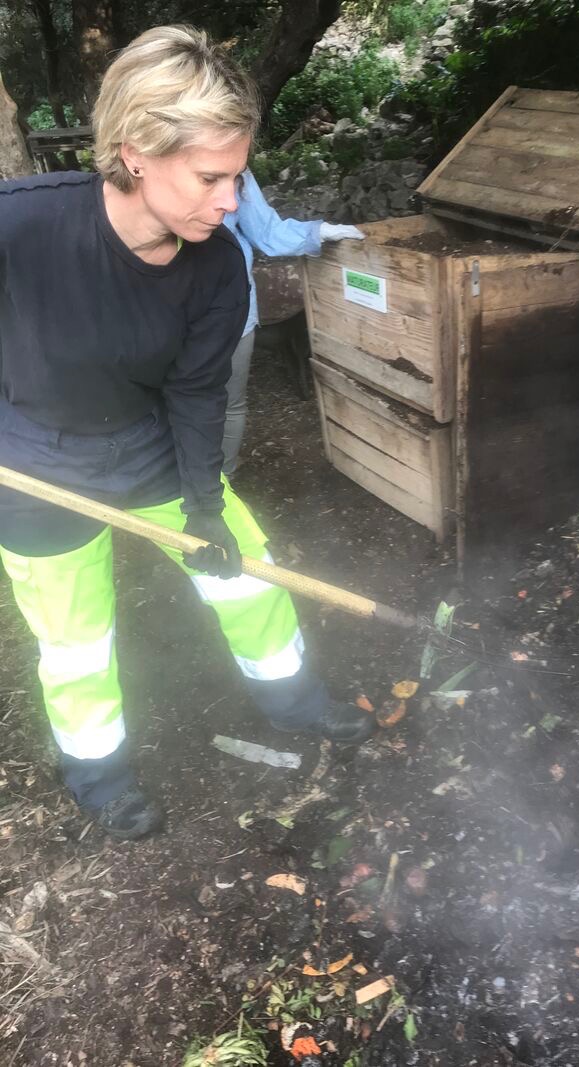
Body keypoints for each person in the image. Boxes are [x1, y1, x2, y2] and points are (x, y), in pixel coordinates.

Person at [0, 25, 375, 842]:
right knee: (74, 639)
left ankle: (295, 699)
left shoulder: (211, 267)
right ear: (135, 153)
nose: (231, 202)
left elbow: (199, 396)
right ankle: (97, 773)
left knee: (248, 573)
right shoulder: (23, 227)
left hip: (149, 451)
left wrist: (203, 507)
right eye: (211, 178)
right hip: (31, 464)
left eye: (237, 177)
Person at [221, 170, 363, 475]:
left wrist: (320, 232)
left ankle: (223, 479)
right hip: (173, 314)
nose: (225, 201)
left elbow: (265, 231)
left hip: (233, 313)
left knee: (229, 403)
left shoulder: (237, 170)